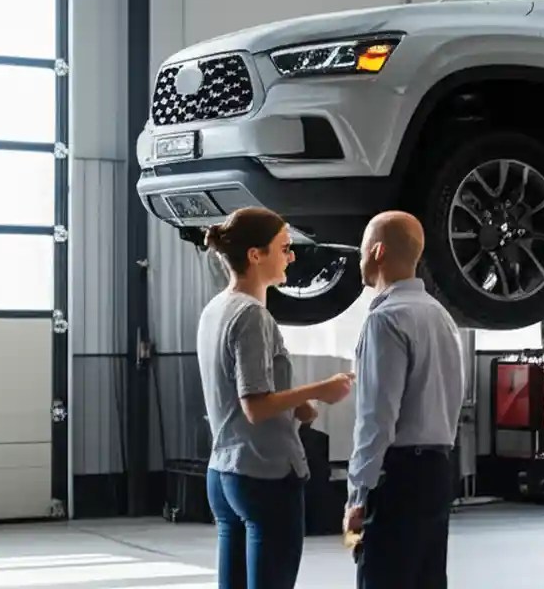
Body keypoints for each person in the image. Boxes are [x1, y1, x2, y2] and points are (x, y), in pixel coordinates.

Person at [197, 206, 356, 589]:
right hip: (262, 473)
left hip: (224, 472)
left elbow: (239, 391)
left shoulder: (215, 309)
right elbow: (255, 405)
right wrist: (321, 389)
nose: (292, 256)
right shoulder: (252, 316)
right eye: (284, 248)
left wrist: (296, 404)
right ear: (256, 255)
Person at [344, 210, 466, 589]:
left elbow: (376, 419)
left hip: (398, 478)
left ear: (377, 251)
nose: (360, 257)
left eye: (362, 248)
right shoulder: (440, 316)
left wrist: (358, 494)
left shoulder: (386, 319)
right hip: (437, 472)